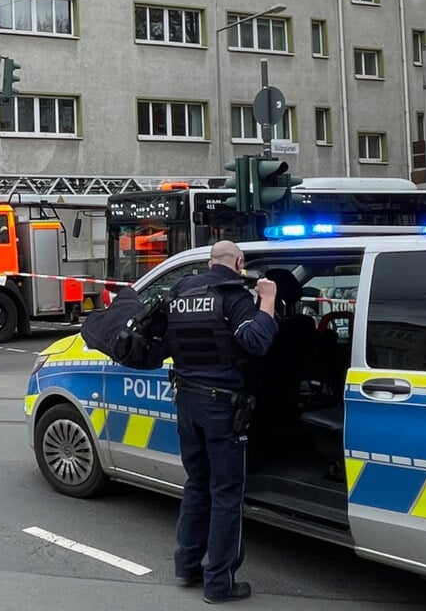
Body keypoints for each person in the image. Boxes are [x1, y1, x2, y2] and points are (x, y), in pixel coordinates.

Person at [164, 240, 278, 604]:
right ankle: (219, 583)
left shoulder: (181, 291)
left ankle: (187, 566)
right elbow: (257, 341)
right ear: (239, 263)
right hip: (221, 407)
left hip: (187, 401)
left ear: (210, 261)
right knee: (226, 494)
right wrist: (269, 298)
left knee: (197, 483)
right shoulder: (232, 295)